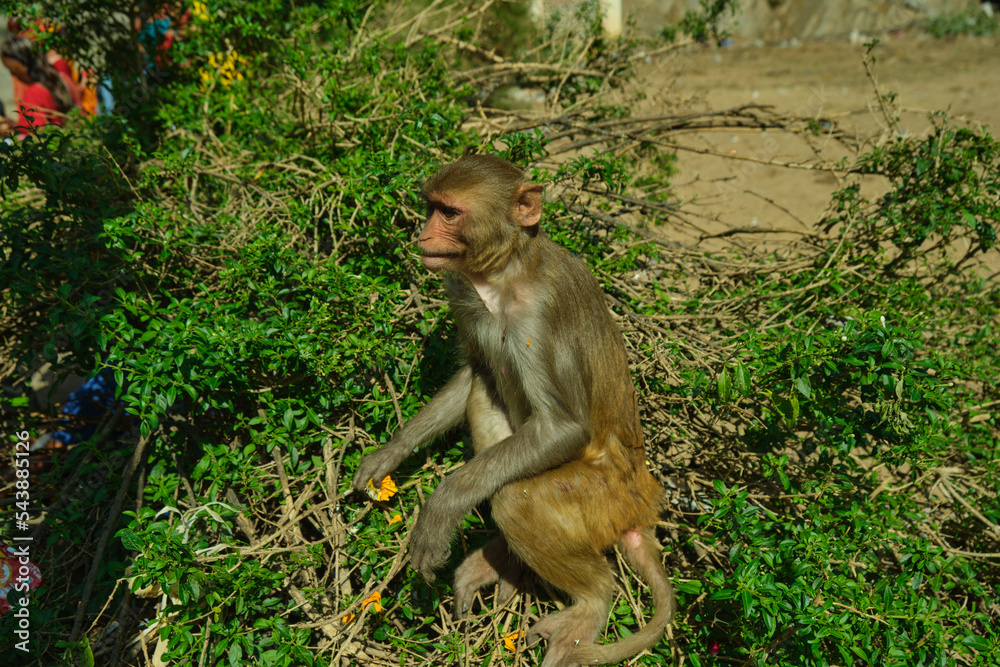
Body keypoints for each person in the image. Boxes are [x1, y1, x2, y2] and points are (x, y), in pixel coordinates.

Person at [0, 35, 79, 138]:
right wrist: (15, 126)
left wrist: (9, 134)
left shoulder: (35, 93)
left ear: (23, 65)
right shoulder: (59, 80)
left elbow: (39, 138)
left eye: (12, 69)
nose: (13, 75)